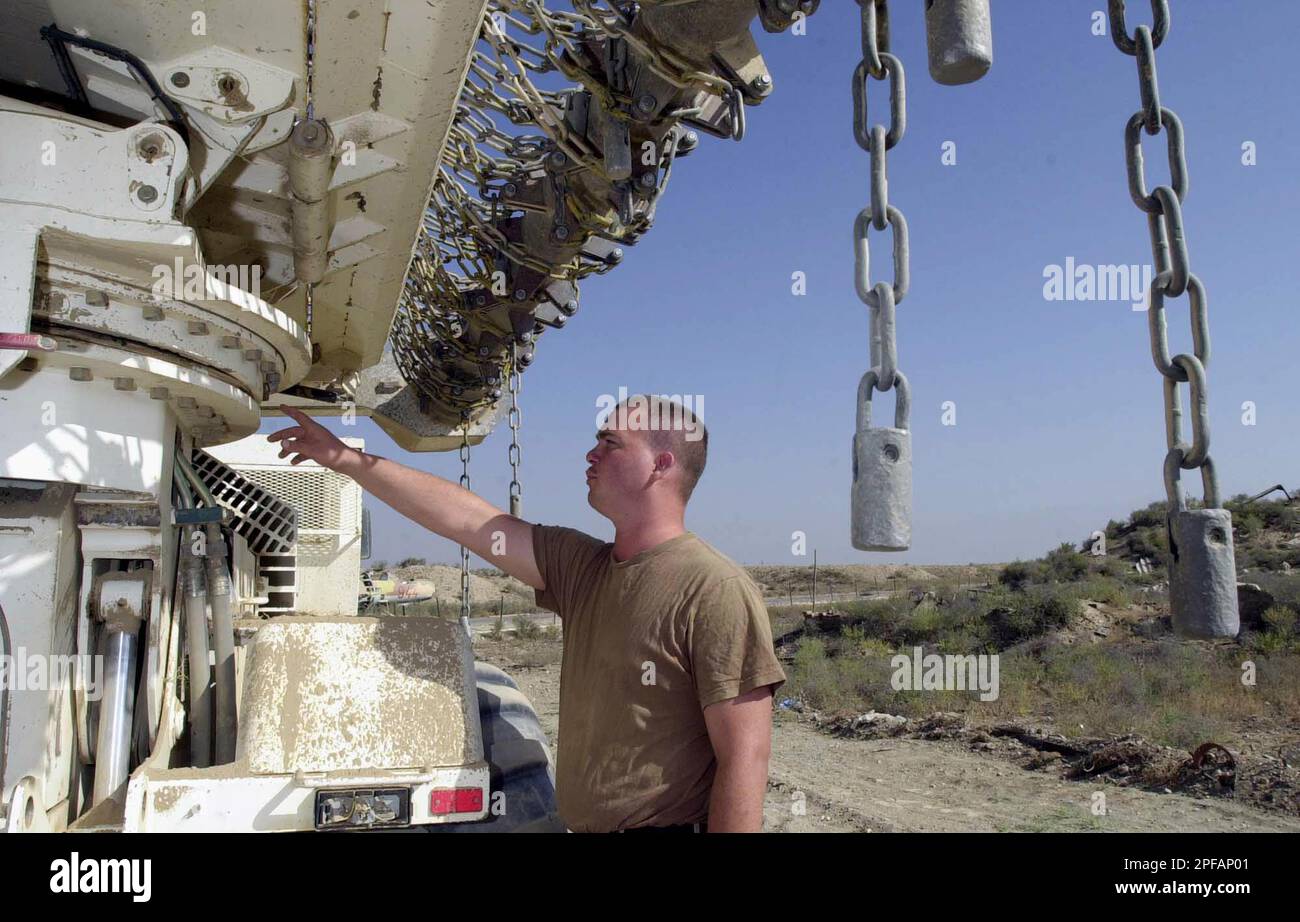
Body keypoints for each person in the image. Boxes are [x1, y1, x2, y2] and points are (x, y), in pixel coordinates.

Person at [267, 394, 785, 832]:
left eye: (611, 442)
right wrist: (346, 460)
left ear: (662, 464)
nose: (590, 453)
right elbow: (469, 521)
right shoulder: (582, 566)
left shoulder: (714, 589)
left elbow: (745, 758)